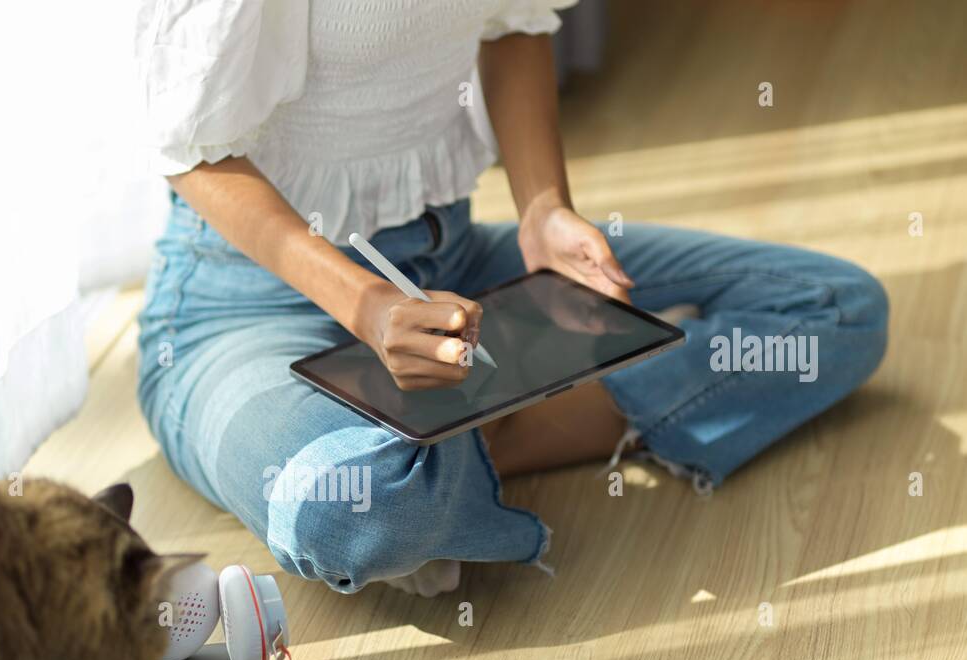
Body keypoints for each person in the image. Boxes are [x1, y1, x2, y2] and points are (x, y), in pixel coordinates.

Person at [134, 0, 888, 596]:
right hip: (245, 308)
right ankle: (471, 440)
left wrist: (542, 210)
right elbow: (192, 154)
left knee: (833, 308)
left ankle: (458, 451)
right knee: (347, 506)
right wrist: (367, 307)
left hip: (449, 260)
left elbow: (512, 25)